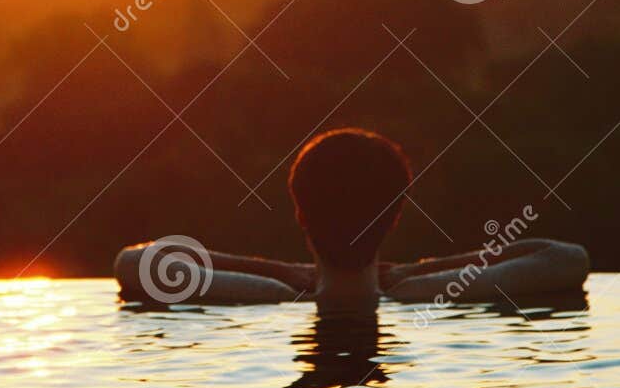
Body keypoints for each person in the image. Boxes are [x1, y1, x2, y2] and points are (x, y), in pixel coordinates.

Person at [114, 127, 589, 311]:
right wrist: (418, 273)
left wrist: (283, 274)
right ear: (397, 215)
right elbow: (565, 258)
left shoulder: (276, 299)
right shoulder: (423, 296)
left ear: (300, 213)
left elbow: (135, 263)